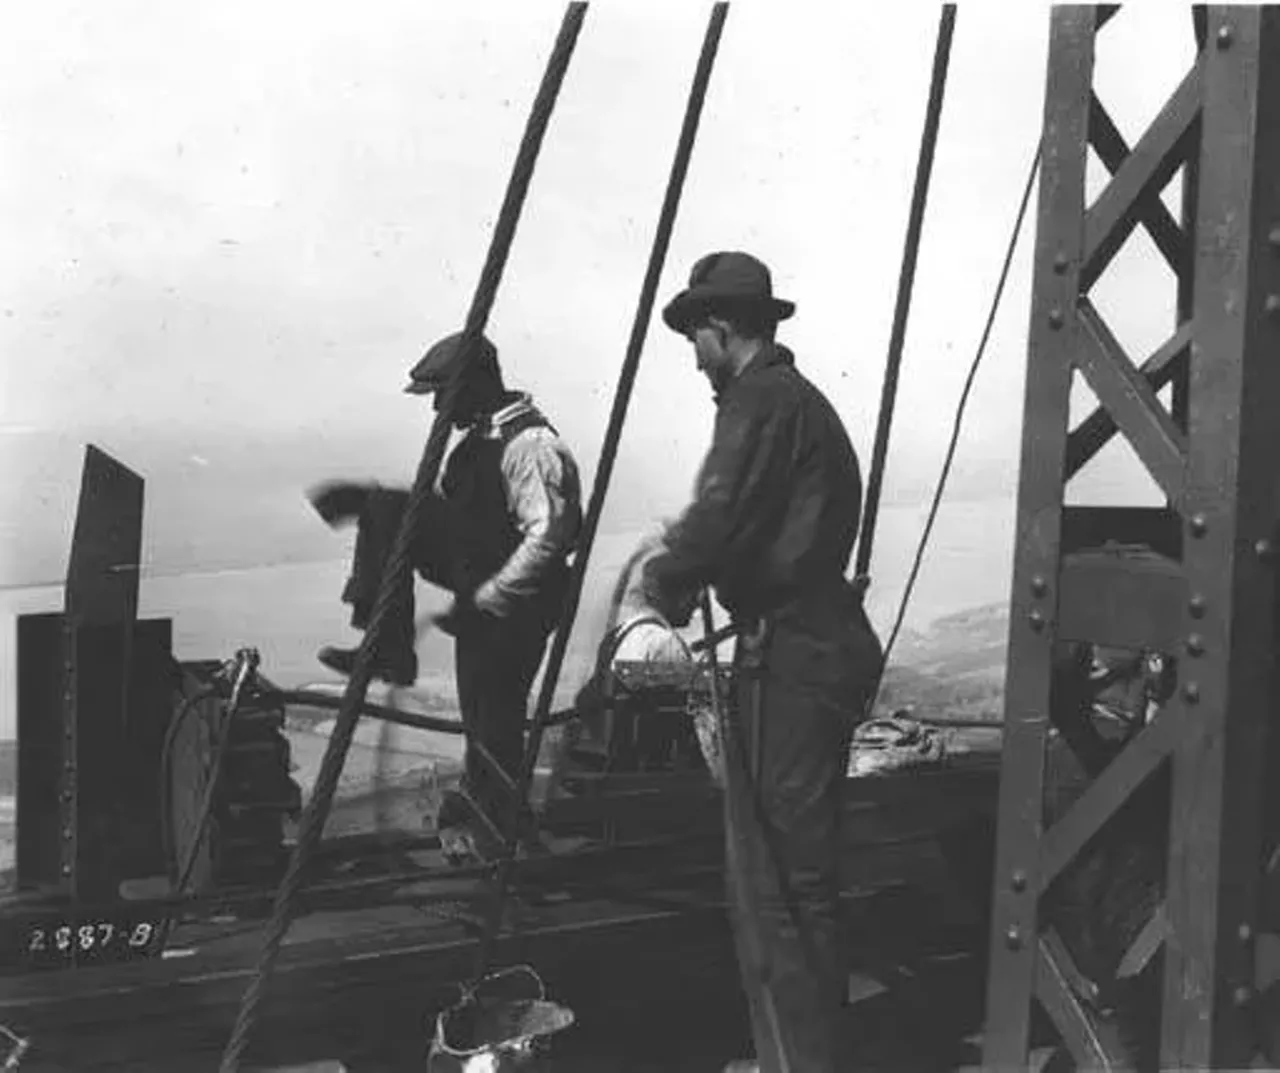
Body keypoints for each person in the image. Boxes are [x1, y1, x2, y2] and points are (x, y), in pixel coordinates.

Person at [641, 252, 884, 1073]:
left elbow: (717, 512)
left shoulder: (758, 399)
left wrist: (661, 583)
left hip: (792, 651)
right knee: (791, 870)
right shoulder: (797, 401)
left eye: (696, 337)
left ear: (721, 328)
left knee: (779, 879)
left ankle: (802, 1062)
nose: (694, 355)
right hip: (808, 642)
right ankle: (804, 1052)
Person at [308, 331, 583, 849]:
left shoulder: (531, 445)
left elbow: (548, 537)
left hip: (516, 604)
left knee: (493, 719)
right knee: (486, 719)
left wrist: (488, 599)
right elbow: (458, 522)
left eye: (443, 392)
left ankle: (507, 843)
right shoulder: (476, 445)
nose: (437, 406)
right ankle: (389, 647)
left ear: (476, 384)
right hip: (482, 589)